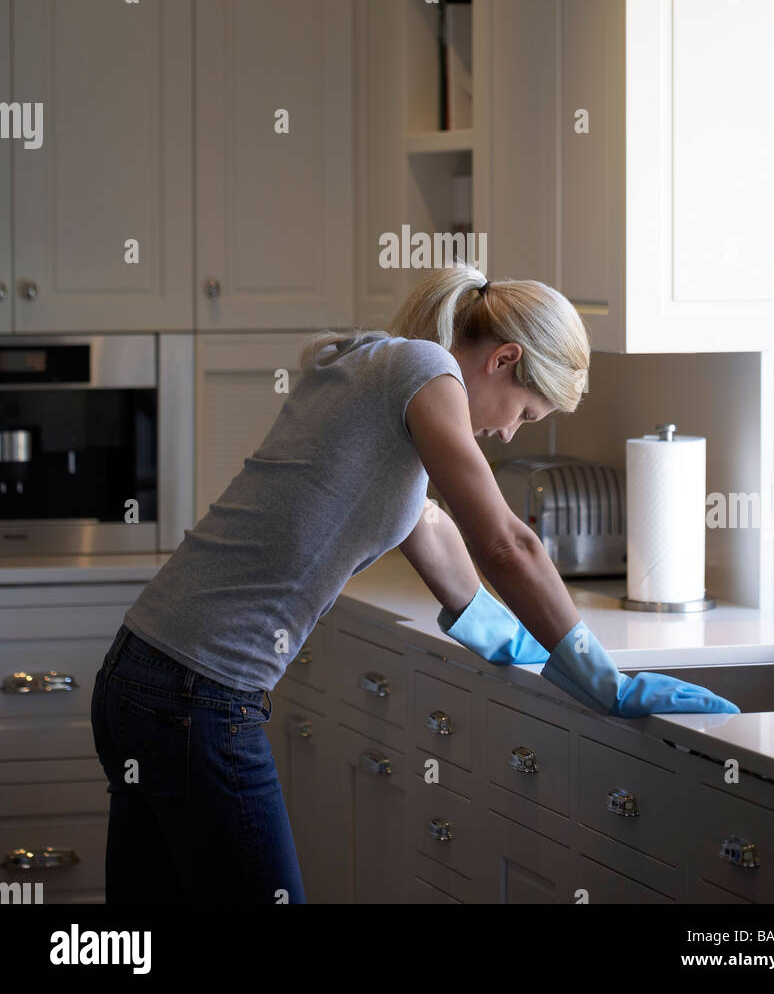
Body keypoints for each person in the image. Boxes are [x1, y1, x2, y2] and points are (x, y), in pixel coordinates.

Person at [91, 261, 737, 905]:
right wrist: (601, 677)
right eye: (526, 412)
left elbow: (431, 534)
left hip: (137, 673)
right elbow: (507, 544)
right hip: (197, 697)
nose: (508, 433)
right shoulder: (425, 372)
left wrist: (520, 646)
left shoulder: (380, 368)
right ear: (505, 359)